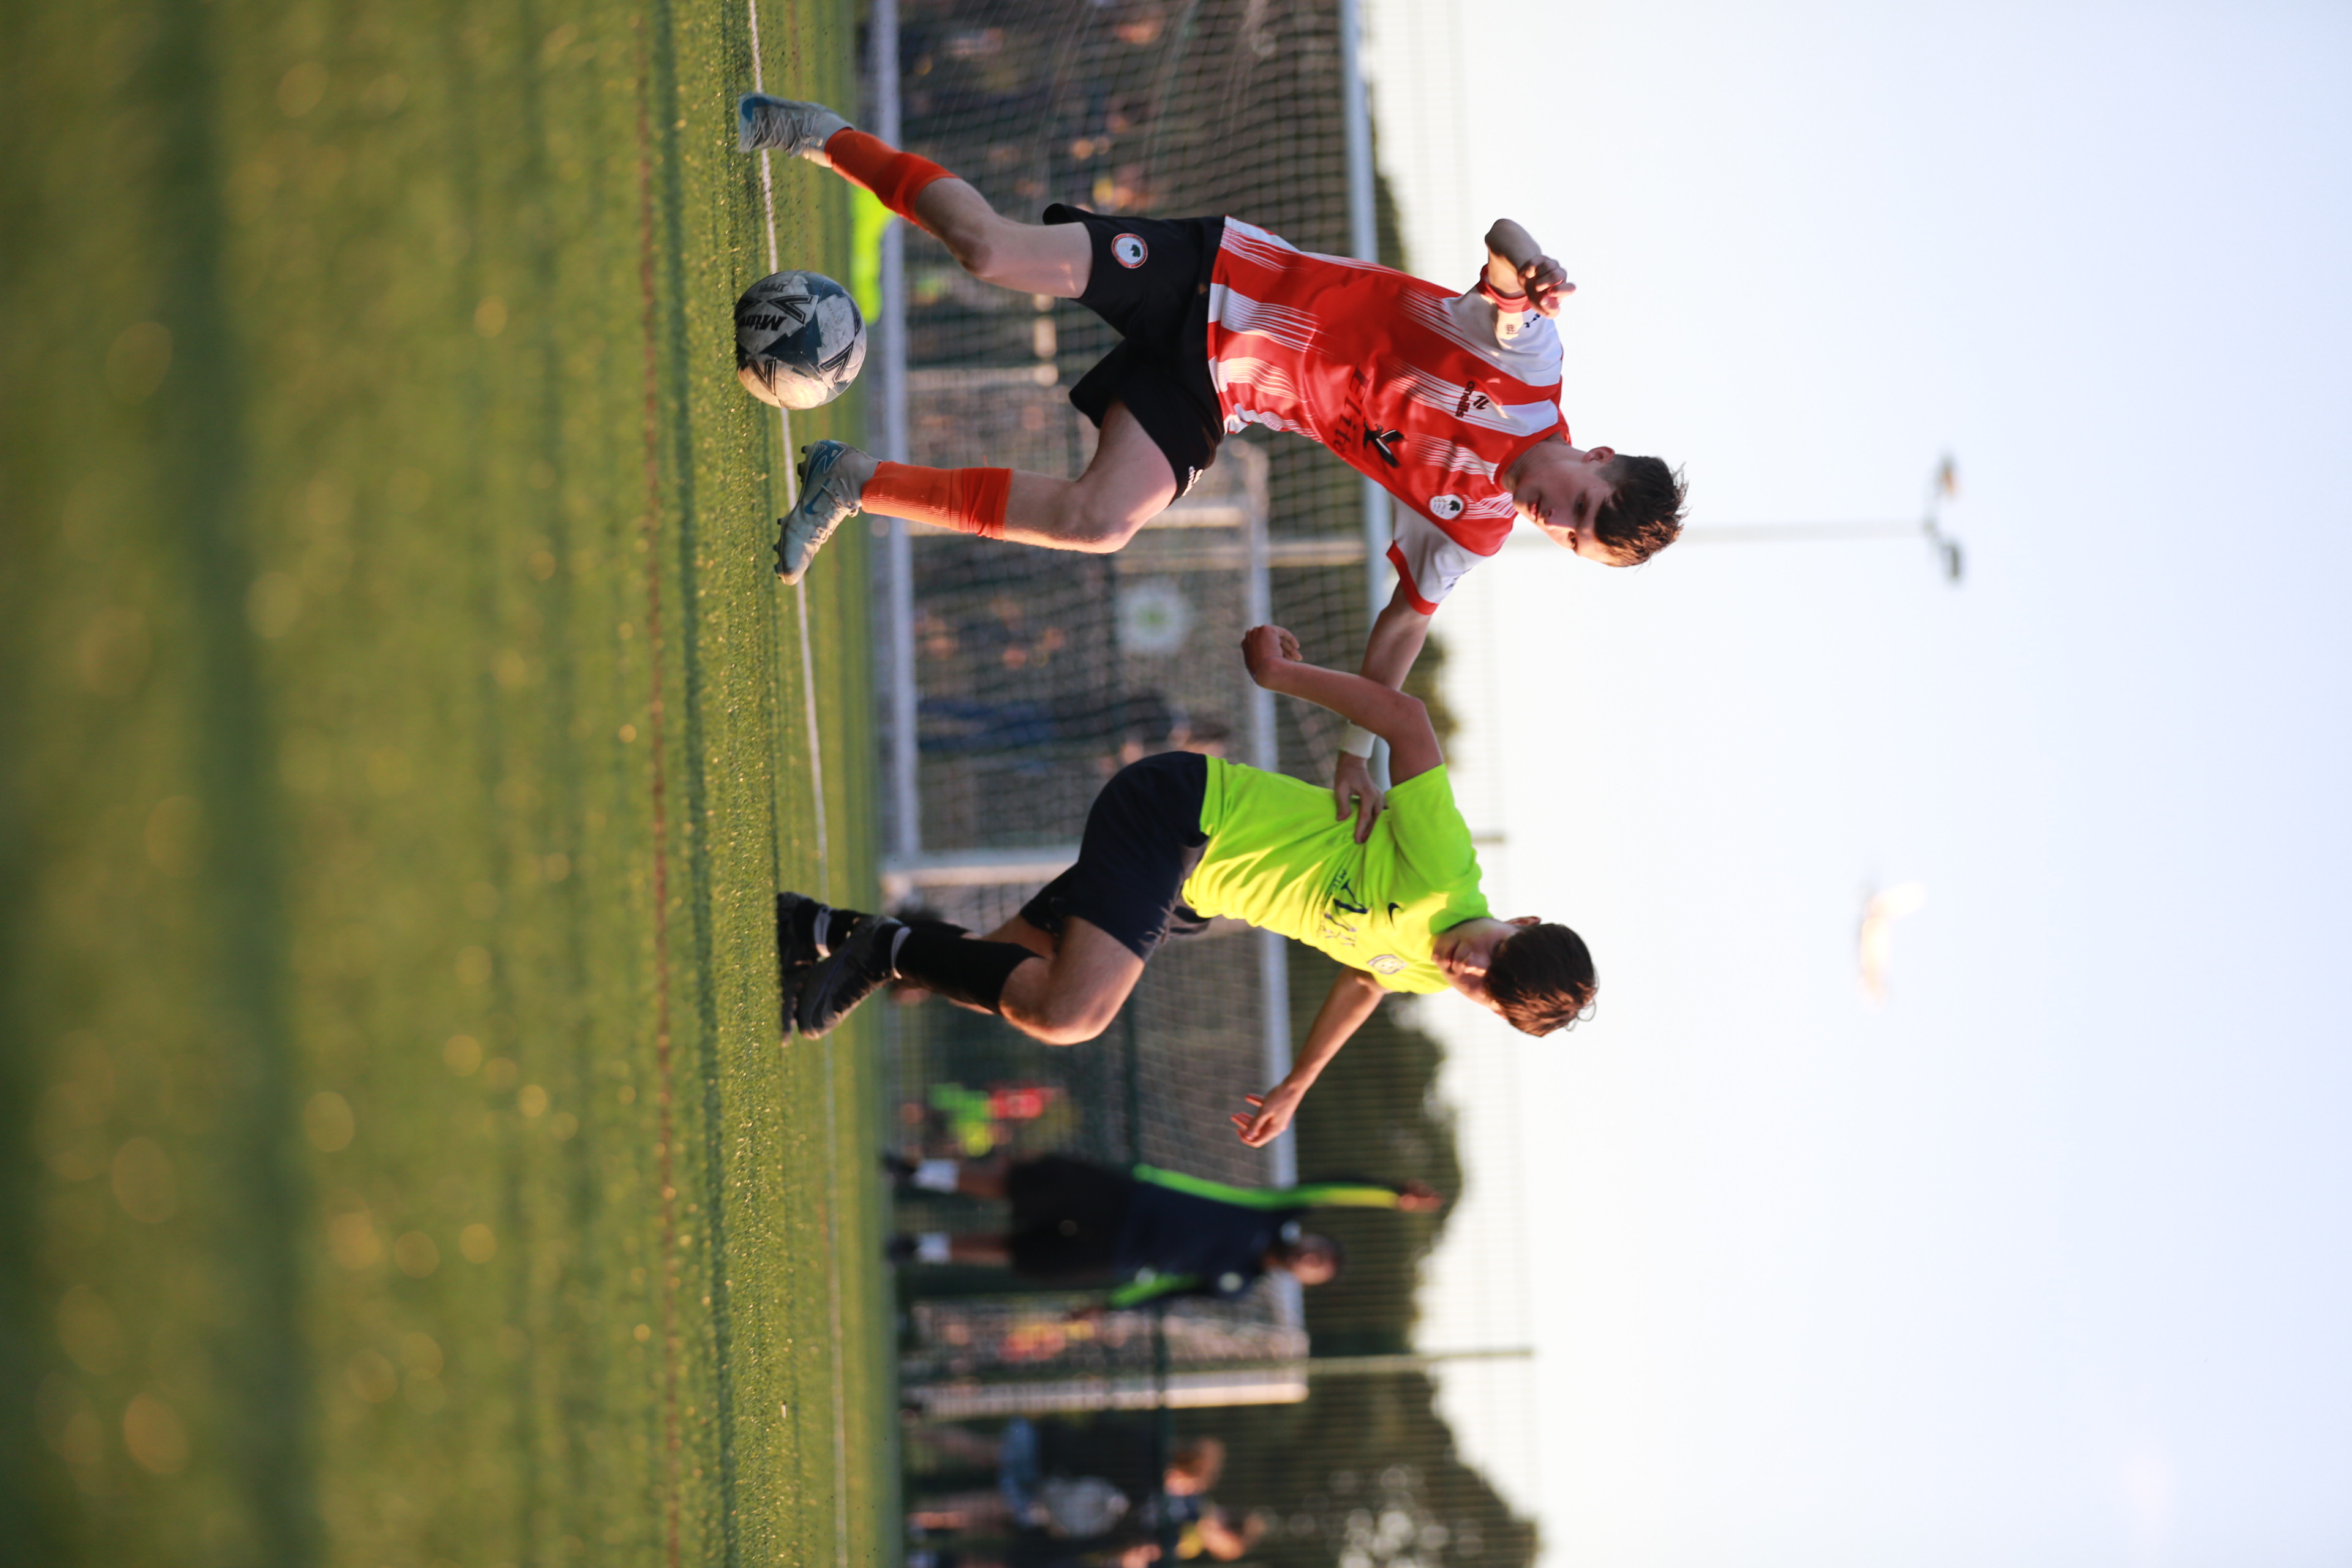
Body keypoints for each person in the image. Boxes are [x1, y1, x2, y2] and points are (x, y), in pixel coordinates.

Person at [736, 92, 1686, 840]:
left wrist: (1357, 749)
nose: (1554, 521)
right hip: (1222, 276)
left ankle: (851, 482)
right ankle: (825, 137)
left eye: (1569, 539)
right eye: (1580, 505)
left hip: (1223, 395)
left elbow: (1403, 627)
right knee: (989, 250)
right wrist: (1538, 261)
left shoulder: (1475, 523)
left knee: (1101, 522)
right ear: (1595, 457)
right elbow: (1507, 250)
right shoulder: (1530, 366)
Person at [777, 620, 1595, 1147]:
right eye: (1496, 956)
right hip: (1183, 815)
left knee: (988, 976)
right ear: (1518, 919)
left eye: (1488, 992)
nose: (1471, 971)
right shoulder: (1446, 867)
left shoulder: (1429, 970)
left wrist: (1298, 1084)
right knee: (1072, 1013)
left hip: (1187, 895)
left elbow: (1365, 979)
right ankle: (881, 947)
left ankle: (817, 929)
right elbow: (1409, 723)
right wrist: (1282, 678)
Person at [886, 1152, 1440, 1305]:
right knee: (1022, 1186)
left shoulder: (1236, 1284)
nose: (1314, 1259)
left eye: (1320, 1271)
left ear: (1307, 1281)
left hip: (1118, 1254)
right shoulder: (1276, 1212)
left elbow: (1167, 1293)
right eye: (1321, 1251)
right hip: (1131, 1197)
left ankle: (921, 1247)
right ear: (1310, 1241)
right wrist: (1390, 1194)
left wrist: (1111, 1305)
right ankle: (920, 1171)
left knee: (1020, 1252)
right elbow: (1329, 1186)